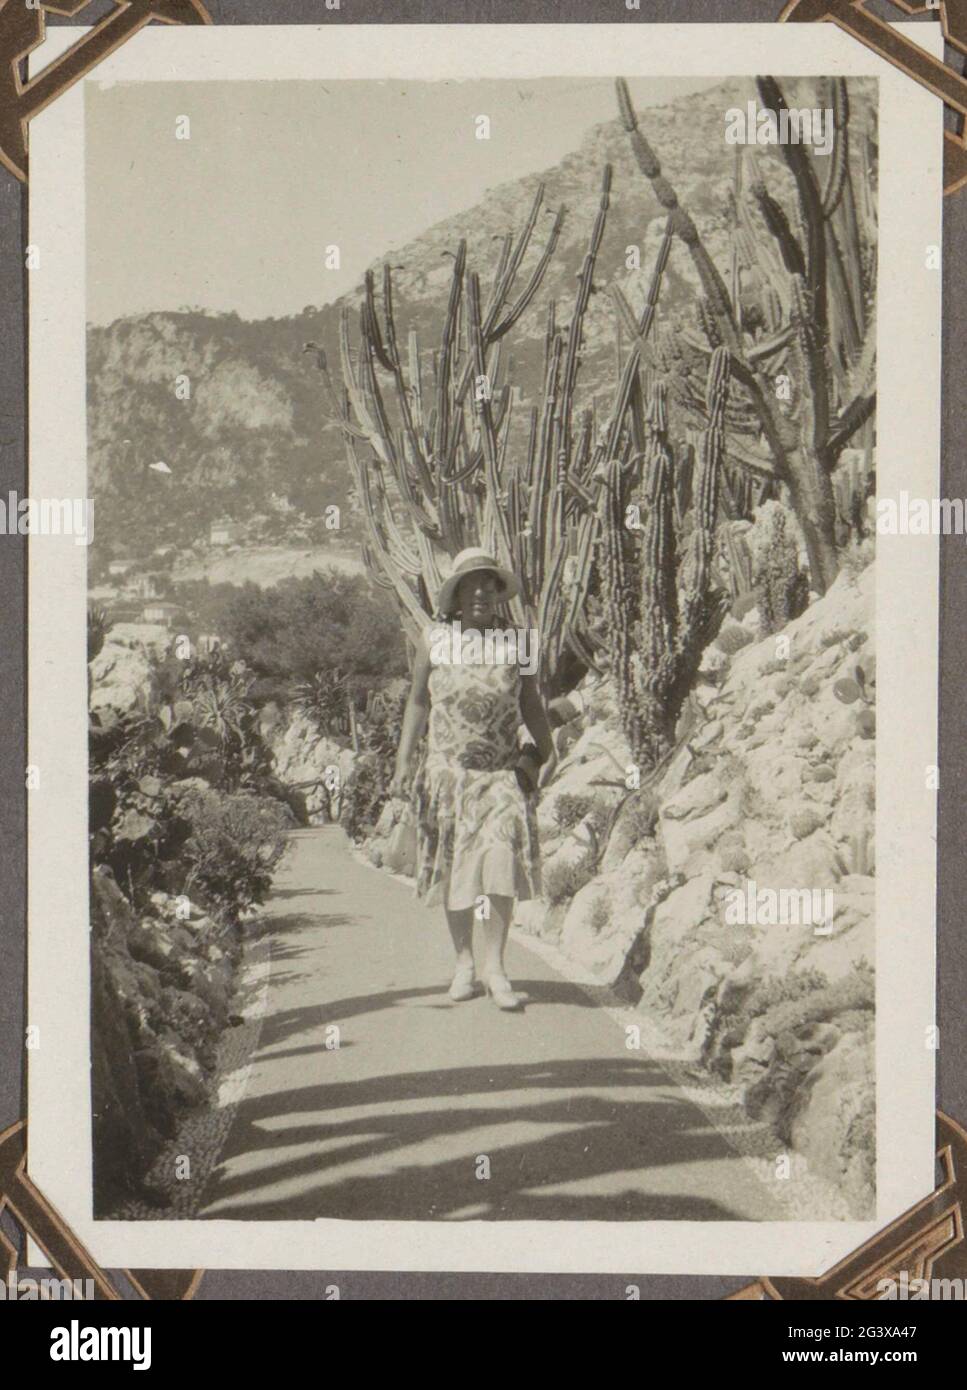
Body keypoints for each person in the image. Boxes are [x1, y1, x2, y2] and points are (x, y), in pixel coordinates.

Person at [389, 548, 554, 1011]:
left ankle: (496, 967)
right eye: (471, 584)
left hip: (501, 774)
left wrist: (545, 753)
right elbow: (418, 702)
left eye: (489, 583)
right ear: (457, 594)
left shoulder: (519, 642)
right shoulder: (435, 639)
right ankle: (464, 964)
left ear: (499, 592)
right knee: (455, 870)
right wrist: (404, 761)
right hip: (448, 774)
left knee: (500, 860)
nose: (481, 591)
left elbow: (533, 705)